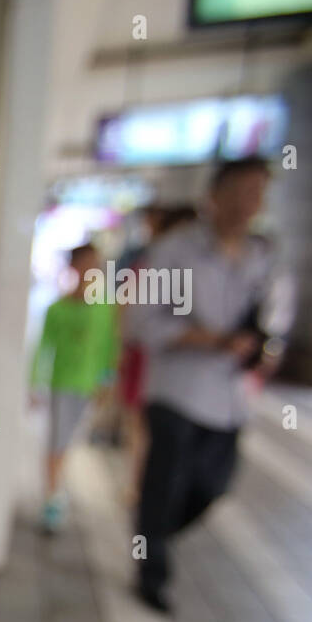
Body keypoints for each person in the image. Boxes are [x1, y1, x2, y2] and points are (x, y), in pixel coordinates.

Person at [131, 157, 292, 613]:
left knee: (212, 485)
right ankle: (151, 569)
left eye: (257, 192)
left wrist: (263, 348)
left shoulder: (264, 259)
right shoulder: (177, 252)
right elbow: (143, 324)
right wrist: (210, 339)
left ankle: (152, 531)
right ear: (215, 194)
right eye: (241, 190)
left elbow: (278, 320)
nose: (248, 203)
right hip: (176, 389)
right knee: (165, 481)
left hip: (229, 397)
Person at [30, 242, 119, 533]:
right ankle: (52, 498)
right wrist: (35, 383)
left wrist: (107, 379)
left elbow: (108, 345)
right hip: (63, 381)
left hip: (88, 385)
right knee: (57, 440)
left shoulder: (104, 306)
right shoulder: (58, 308)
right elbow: (43, 347)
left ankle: (56, 490)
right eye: (85, 263)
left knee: (67, 441)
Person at [117, 204, 198, 504]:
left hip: (183, 364)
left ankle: (152, 483)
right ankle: (139, 481)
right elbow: (126, 311)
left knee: (164, 427)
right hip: (146, 355)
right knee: (141, 421)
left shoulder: (198, 268)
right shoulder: (145, 261)